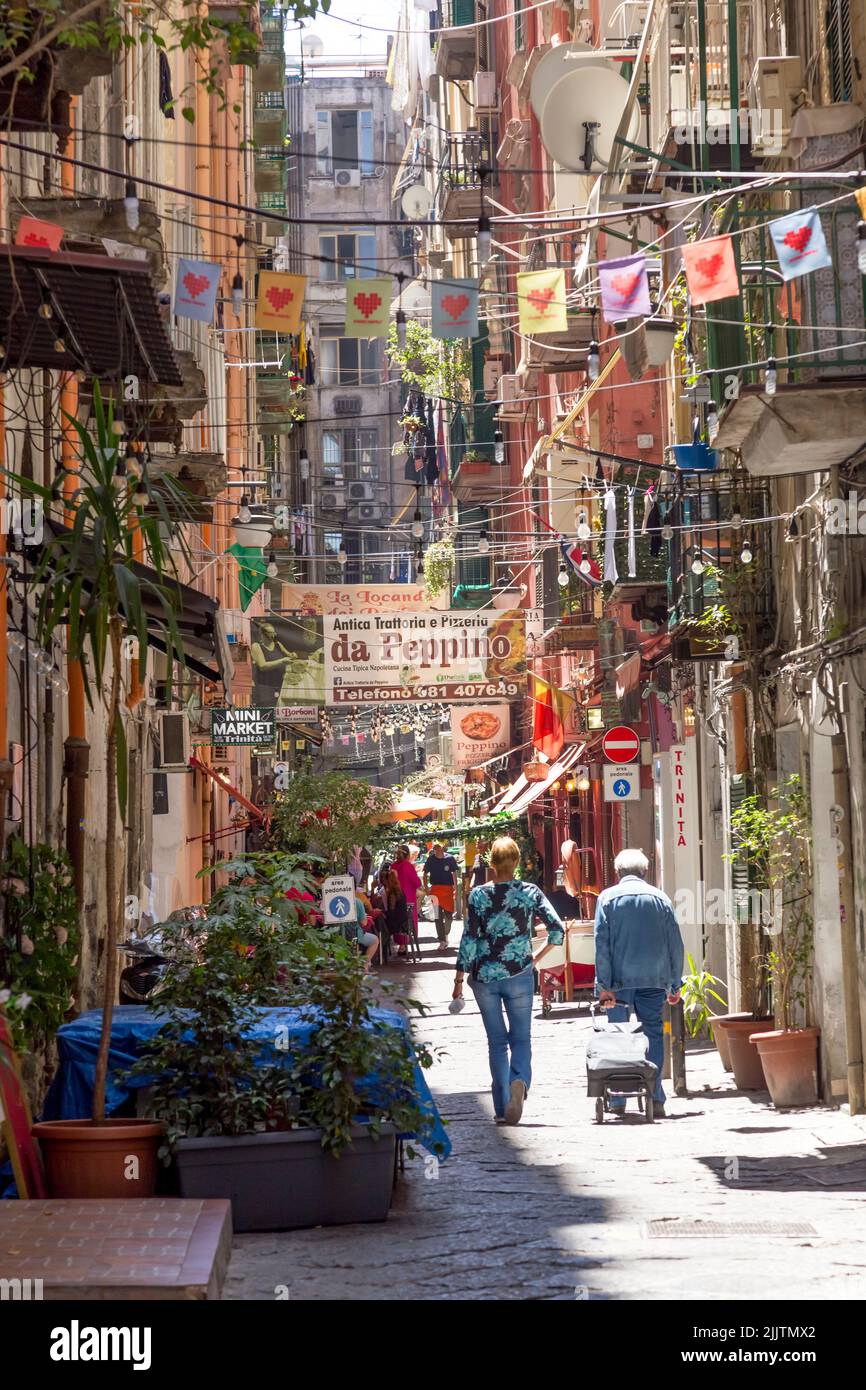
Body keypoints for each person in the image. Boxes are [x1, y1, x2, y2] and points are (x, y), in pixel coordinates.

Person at [453, 836, 565, 1126]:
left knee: (496, 1042)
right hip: (519, 973)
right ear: (516, 862)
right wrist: (534, 958)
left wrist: (458, 979)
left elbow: (470, 939)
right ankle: (520, 1081)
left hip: (485, 976)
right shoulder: (529, 892)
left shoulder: (477, 895)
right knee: (521, 1038)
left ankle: (503, 1107)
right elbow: (557, 930)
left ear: (492, 863)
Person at [594, 848, 685, 1118]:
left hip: (618, 981)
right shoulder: (661, 898)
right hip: (653, 979)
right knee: (653, 1034)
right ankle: (655, 1096)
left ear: (618, 872)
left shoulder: (607, 898)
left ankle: (619, 1098)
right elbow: (675, 943)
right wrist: (674, 983)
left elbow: (602, 943)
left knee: (619, 1034)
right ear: (645, 871)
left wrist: (604, 985)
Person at [423, 841, 460, 950]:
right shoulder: (430, 860)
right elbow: (425, 874)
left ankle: (445, 934)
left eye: (439, 847)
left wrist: (456, 888)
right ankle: (442, 940)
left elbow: (454, 873)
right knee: (437, 917)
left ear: (442, 848)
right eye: (435, 848)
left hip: (448, 890)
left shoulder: (450, 858)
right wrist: (426, 888)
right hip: (435, 890)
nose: (437, 850)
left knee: (449, 916)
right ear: (434, 850)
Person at [391, 844, 422, 947]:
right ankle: (405, 945)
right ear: (408, 854)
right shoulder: (408, 866)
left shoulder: (393, 865)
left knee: (398, 919)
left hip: (395, 898)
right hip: (408, 898)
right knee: (408, 922)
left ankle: (401, 946)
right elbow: (417, 883)